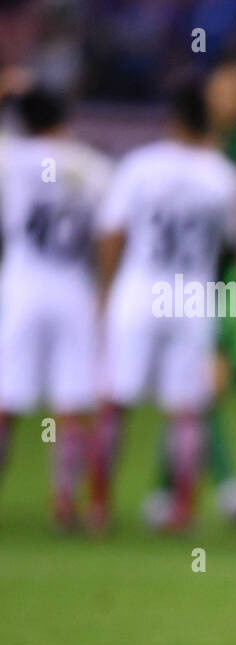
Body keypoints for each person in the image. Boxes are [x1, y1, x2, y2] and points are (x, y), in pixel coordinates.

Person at [91, 75, 236, 532]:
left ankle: (98, 506)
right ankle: (182, 509)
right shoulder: (222, 174)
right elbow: (235, 245)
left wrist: (105, 289)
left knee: (114, 401)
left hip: (140, 290)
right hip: (192, 295)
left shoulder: (141, 166)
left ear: (173, 119)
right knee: (187, 408)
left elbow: (112, 233)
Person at [0, 87, 111, 528]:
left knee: (6, 399)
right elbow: (108, 233)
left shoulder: (11, 158)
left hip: (21, 285)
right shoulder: (92, 166)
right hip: (73, 287)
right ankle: (65, 502)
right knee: (72, 401)